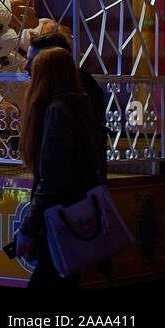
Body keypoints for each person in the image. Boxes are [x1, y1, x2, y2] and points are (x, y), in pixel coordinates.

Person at [15, 47, 108, 288]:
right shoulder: (81, 105)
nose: (26, 68)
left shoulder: (56, 111)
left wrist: (28, 228)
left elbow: (51, 179)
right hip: (76, 211)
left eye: (32, 64)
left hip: (57, 216)